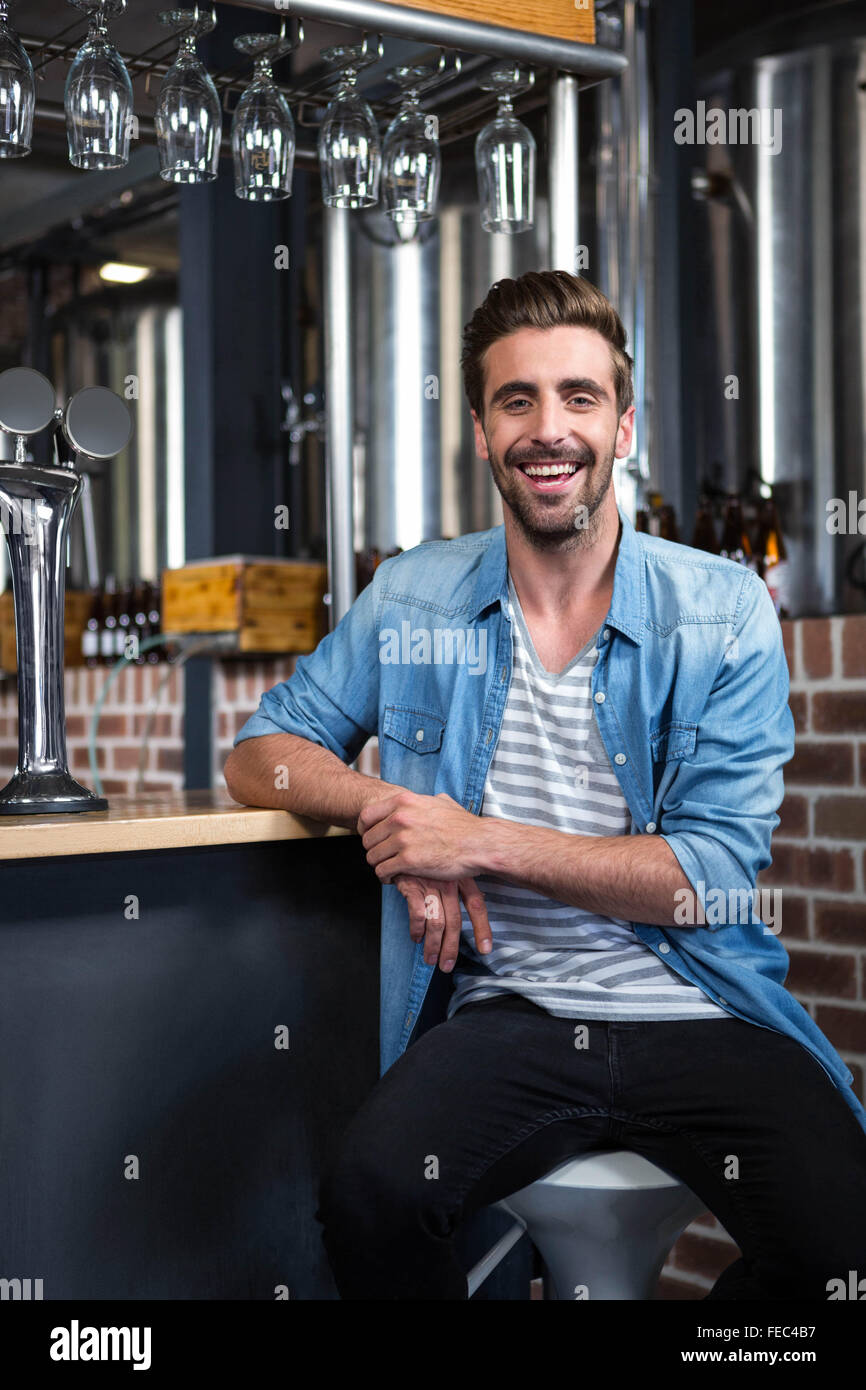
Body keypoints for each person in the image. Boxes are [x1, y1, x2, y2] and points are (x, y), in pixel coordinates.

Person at [224, 271, 866, 1300]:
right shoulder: (415, 592)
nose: (546, 428)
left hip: (701, 1005)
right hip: (508, 1015)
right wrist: (389, 810)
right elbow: (262, 751)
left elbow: (702, 876)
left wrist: (469, 839)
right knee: (371, 1196)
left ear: (620, 426)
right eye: (514, 400)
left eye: (578, 397)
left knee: (845, 1259)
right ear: (479, 430)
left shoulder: (721, 607)